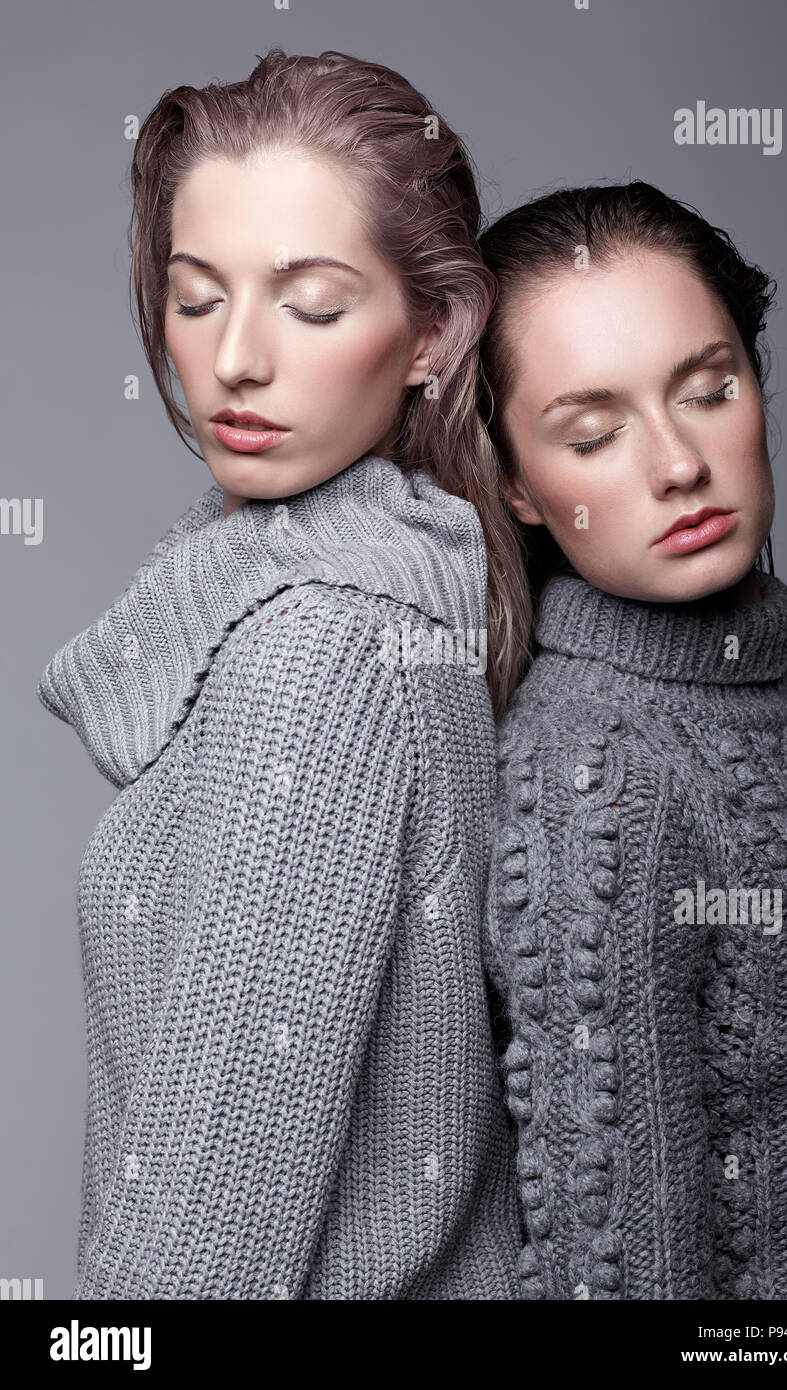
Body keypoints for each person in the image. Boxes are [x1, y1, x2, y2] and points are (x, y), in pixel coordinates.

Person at [36, 48, 528, 1300]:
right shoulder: (406, 589)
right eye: (196, 298)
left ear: (431, 333)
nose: (235, 359)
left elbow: (202, 1246)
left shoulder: (322, 650)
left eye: (310, 305)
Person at [478, 180, 787, 1299]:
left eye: (707, 390)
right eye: (592, 433)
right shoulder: (600, 779)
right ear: (519, 485)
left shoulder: (752, 696)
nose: (677, 463)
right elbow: (615, 1272)